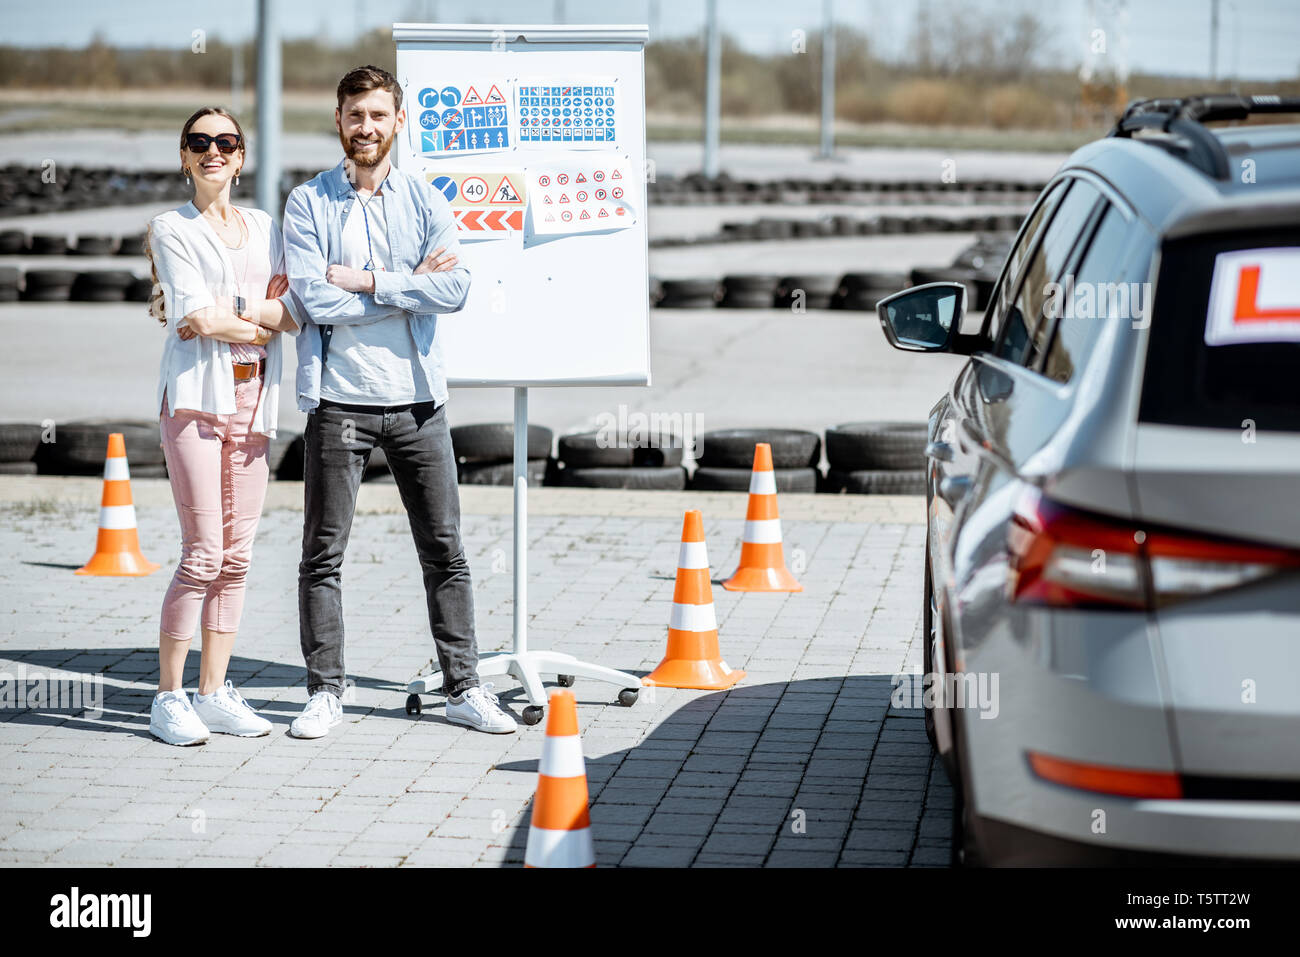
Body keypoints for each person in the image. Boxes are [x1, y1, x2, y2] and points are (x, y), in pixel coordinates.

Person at [282, 65, 516, 738]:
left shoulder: (423, 199)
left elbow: (457, 288)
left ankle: (464, 688)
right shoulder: (309, 203)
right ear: (338, 120)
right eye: (355, 115)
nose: (366, 127)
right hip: (338, 403)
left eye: (379, 115)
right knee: (323, 554)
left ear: (398, 122)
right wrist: (408, 283)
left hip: (418, 404)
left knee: (445, 549)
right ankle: (325, 691)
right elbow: (313, 297)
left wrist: (368, 280)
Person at [143, 107, 302, 746]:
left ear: (242, 156)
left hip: (255, 400)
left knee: (236, 558)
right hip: (195, 402)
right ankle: (168, 697)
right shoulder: (169, 227)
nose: (214, 151)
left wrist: (242, 315)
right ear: (185, 156)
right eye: (200, 142)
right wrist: (255, 318)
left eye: (226, 142)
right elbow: (196, 320)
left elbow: (293, 311)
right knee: (203, 553)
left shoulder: (264, 227)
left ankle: (214, 692)